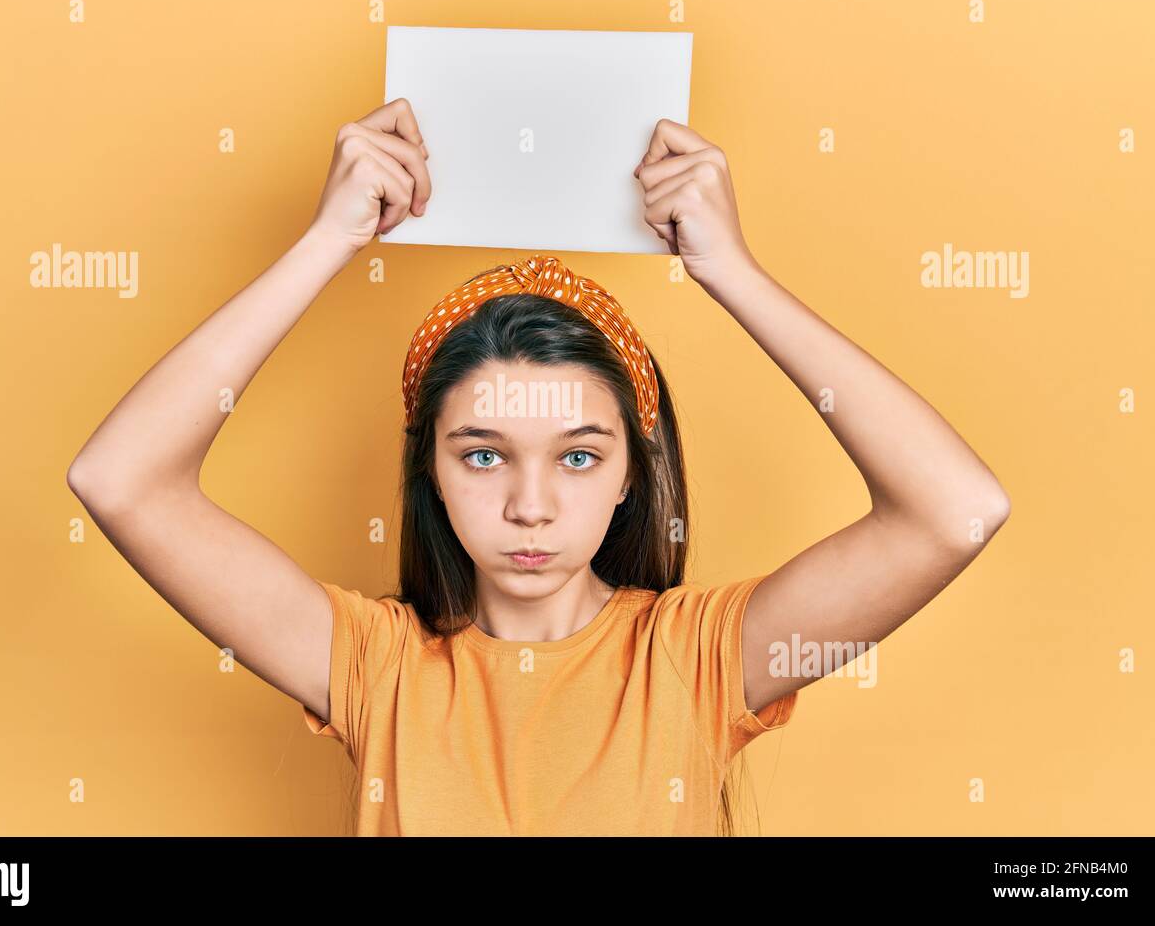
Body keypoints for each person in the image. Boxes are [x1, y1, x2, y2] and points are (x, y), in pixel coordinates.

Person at [67, 98, 1011, 836]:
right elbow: (121, 480)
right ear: (430, 470)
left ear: (632, 474)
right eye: (483, 454)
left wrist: (733, 271)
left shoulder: (697, 661)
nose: (530, 508)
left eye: (578, 457)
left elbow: (955, 509)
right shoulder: (374, 667)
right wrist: (328, 242)